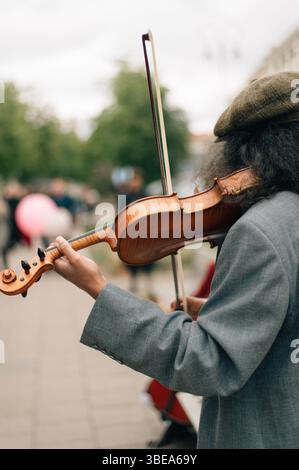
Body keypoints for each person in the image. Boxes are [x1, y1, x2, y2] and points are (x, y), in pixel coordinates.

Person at [54, 72, 299, 449]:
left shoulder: (261, 231)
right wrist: (218, 310)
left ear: (251, 150)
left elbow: (209, 362)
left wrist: (98, 288)